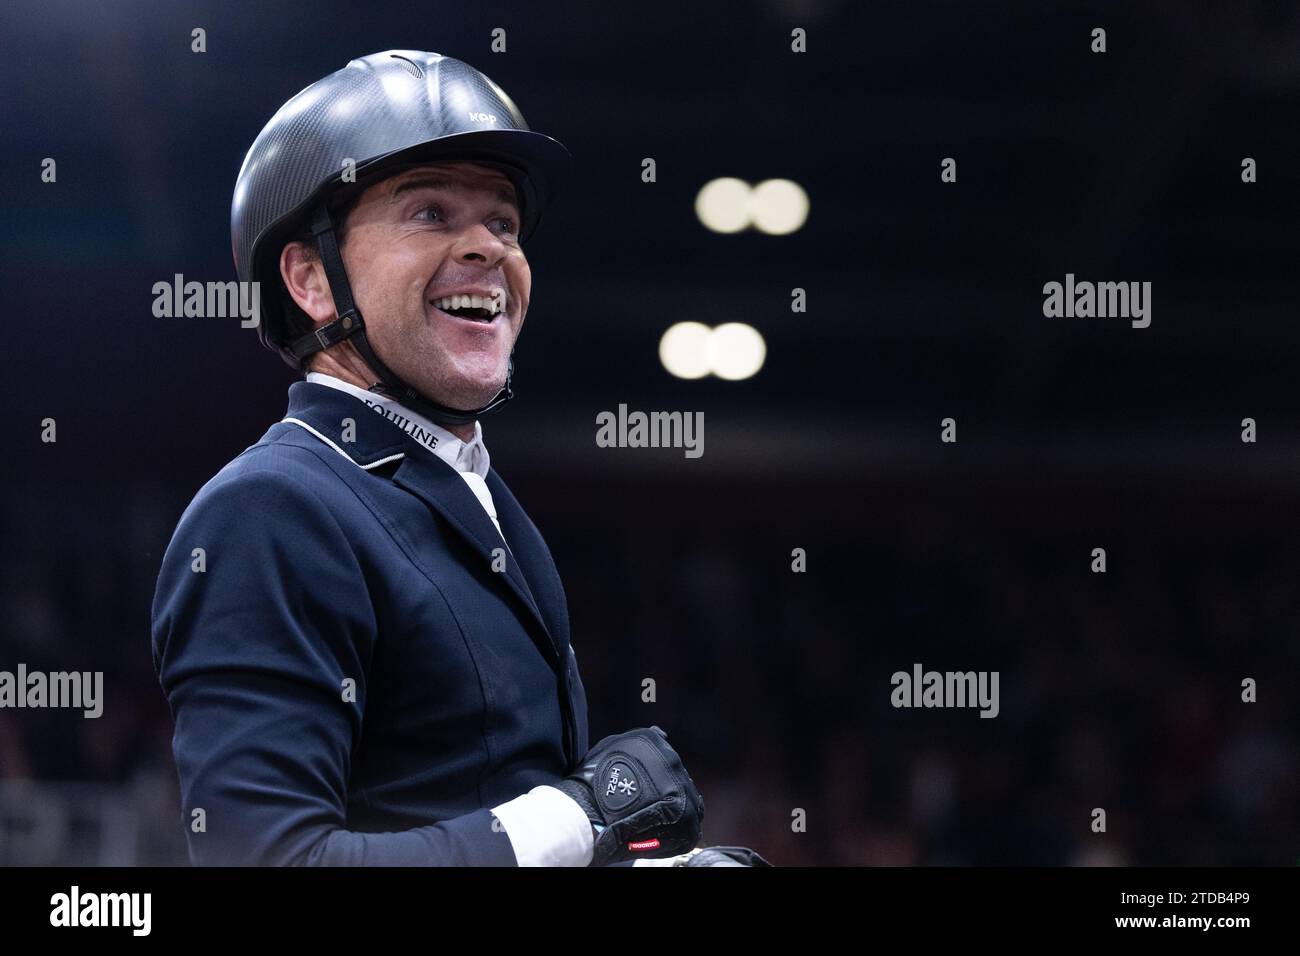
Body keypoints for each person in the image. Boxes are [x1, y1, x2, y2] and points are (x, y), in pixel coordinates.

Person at [151, 49, 765, 867]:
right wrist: (578, 817)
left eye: (503, 222)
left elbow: (470, 805)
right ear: (311, 280)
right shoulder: (269, 510)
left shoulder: (485, 501)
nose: (487, 248)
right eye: (430, 213)